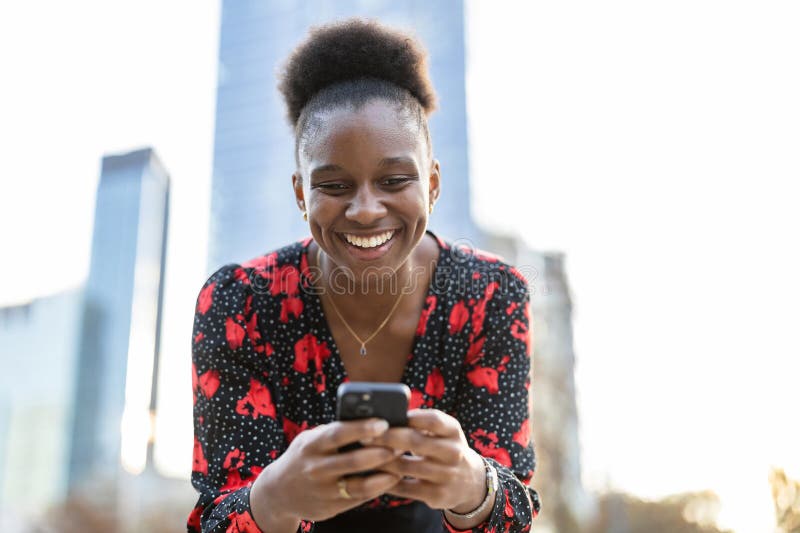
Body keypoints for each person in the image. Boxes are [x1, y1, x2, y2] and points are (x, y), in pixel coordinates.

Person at [187, 18, 540, 533]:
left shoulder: (493, 295)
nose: (367, 210)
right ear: (301, 193)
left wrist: (471, 487)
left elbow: (514, 506)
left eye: (395, 180)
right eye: (334, 185)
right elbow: (217, 516)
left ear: (433, 183)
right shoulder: (239, 302)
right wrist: (276, 497)